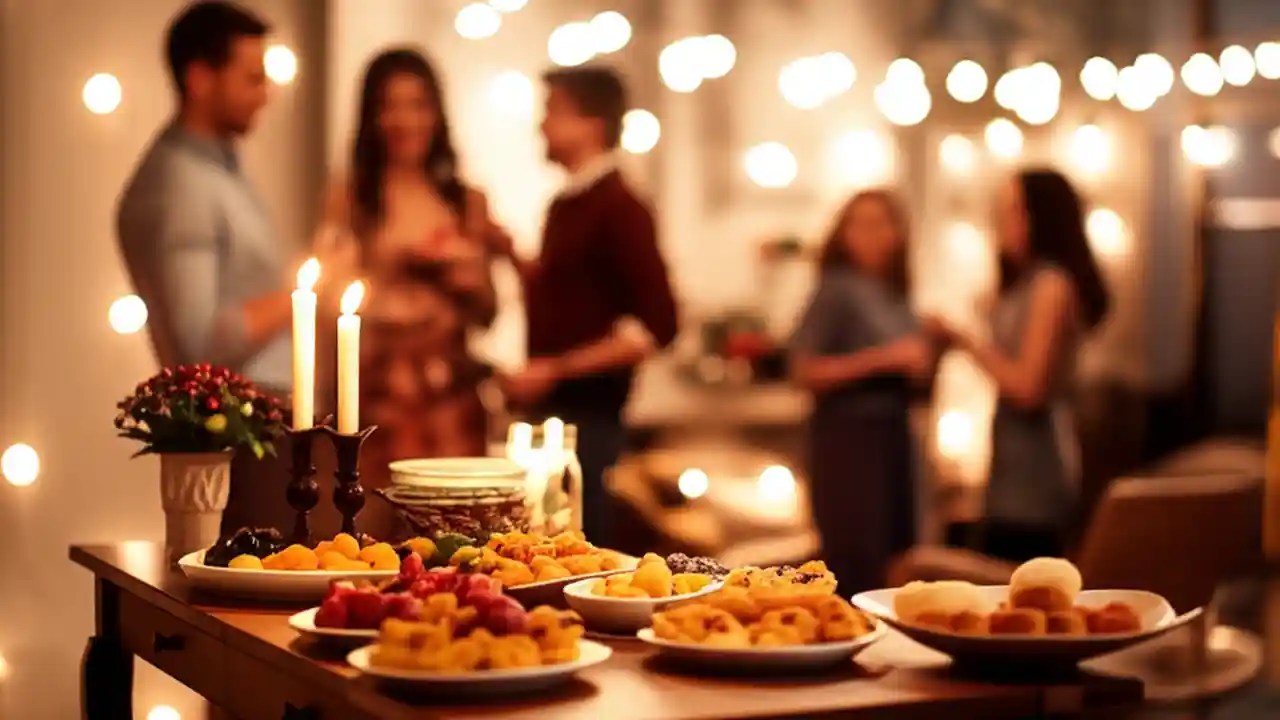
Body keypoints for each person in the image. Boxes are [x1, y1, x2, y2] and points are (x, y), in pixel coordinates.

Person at [116, 1, 301, 534]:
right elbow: (201, 344)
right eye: (252, 78)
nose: (266, 93)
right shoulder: (179, 185)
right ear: (200, 78)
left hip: (259, 431)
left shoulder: (217, 167)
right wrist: (305, 295)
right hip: (236, 441)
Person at [316, 48, 500, 539]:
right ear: (371, 116)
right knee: (375, 542)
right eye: (389, 105)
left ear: (436, 114)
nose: (404, 120)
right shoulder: (353, 197)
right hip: (380, 404)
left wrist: (468, 277)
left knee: (461, 544)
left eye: (417, 105)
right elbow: (328, 298)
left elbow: (488, 312)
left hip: (451, 402)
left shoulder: (466, 199)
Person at [492, 66, 678, 547]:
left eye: (553, 112)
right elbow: (570, 297)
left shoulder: (620, 206)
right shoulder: (566, 205)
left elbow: (659, 324)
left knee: (573, 548)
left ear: (591, 125)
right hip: (557, 411)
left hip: (588, 421)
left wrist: (555, 369)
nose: (541, 126)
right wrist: (509, 254)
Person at [928, 169, 1110, 561]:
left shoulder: (1051, 285)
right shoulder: (1026, 282)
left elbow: (1028, 388)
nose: (1002, 222)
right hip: (1012, 458)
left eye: (1013, 210)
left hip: (1037, 463)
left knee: (1023, 580)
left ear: (1040, 217)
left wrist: (966, 340)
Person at [789, 190, 936, 594]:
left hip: (892, 435)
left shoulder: (894, 293)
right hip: (848, 440)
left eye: (881, 224)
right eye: (859, 224)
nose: (871, 236)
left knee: (896, 555)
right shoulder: (836, 288)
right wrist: (884, 359)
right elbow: (804, 370)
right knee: (855, 558)